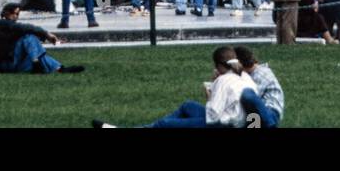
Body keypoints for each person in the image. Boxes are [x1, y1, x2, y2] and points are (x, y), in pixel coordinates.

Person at [94, 46, 249, 129]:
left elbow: (213, 114)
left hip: (223, 125)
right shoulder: (243, 76)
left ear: (219, 66)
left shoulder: (223, 81)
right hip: (235, 121)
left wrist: (210, 93)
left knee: (165, 125)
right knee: (188, 106)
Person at [0, 2, 84, 74]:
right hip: (3, 65)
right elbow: (27, 28)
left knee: (37, 52)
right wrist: (47, 34)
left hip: (12, 63)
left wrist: (45, 37)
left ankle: (58, 69)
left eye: (17, 14)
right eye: (13, 13)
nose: (16, 16)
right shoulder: (3, 24)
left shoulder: (9, 26)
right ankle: (40, 63)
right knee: (29, 36)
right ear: (6, 13)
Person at [235, 45, 285, 128]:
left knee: (246, 95)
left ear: (240, 64)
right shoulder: (249, 75)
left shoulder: (260, 74)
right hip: (256, 116)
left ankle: (270, 125)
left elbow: (247, 98)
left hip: (271, 114)